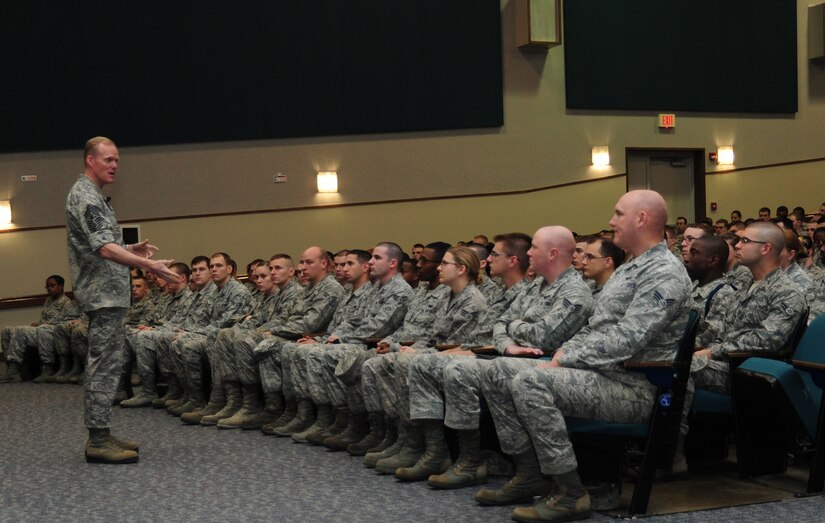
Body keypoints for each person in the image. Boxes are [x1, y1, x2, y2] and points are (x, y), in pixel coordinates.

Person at [477, 190, 692, 522]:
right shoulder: (631, 267)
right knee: (496, 371)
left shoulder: (663, 271)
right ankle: (529, 472)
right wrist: (567, 350)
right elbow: (598, 328)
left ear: (641, 219)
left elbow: (628, 339)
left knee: (531, 382)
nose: (611, 221)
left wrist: (565, 357)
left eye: (618, 214)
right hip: (604, 375)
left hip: (637, 386)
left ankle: (569, 492)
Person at [65, 136, 178, 464]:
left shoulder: (92, 194)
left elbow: (102, 247)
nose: (115, 165)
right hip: (102, 294)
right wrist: (147, 264)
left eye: (117, 160)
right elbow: (102, 248)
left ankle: (102, 431)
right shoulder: (85, 196)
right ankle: (97, 439)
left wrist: (131, 250)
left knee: (109, 363)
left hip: (108, 292)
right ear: (90, 160)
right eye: (108, 160)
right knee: (103, 364)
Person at [692, 222, 806, 394]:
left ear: (765, 249)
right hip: (725, 363)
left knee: (681, 369)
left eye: (745, 240)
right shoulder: (744, 288)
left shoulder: (787, 292)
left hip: (749, 372)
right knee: (677, 362)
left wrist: (713, 352)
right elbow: (723, 332)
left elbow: (767, 340)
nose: (737, 245)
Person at [1, 275, 79, 383]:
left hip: (53, 332)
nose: (49, 289)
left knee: (20, 330)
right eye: (47, 287)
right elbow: (44, 318)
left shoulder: (67, 302)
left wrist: (44, 324)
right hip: (42, 328)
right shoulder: (49, 300)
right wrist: (37, 323)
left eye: (52, 286)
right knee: (7, 331)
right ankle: (14, 368)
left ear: (61, 286)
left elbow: (64, 321)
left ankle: (45, 369)